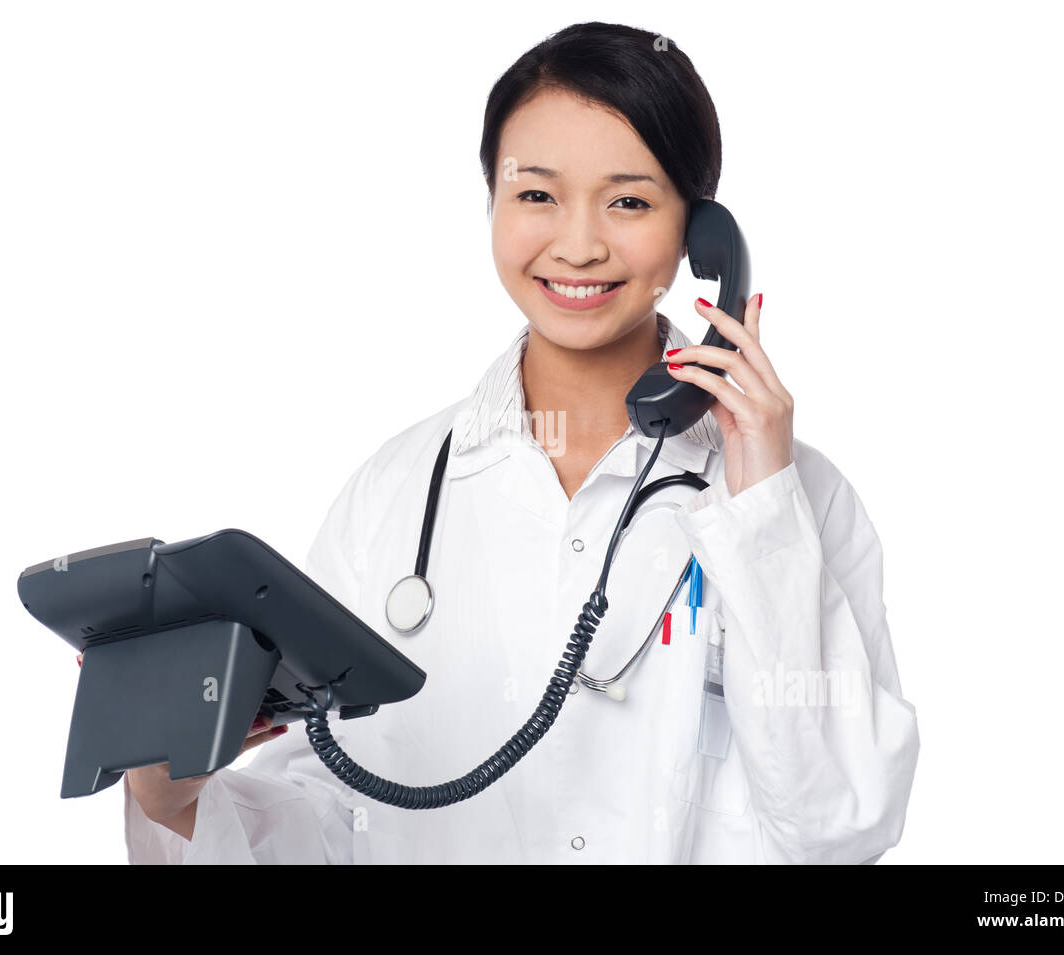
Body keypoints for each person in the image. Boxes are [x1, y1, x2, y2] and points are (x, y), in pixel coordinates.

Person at [112, 20, 920, 864]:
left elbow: (838, 826)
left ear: (704, 236)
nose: (578, 244)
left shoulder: (803, 501)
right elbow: (333, 813)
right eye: (536, 194)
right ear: (492, 202)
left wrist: (760, 509)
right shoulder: (396, 490)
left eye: (630, 200)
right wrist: (174, 802)